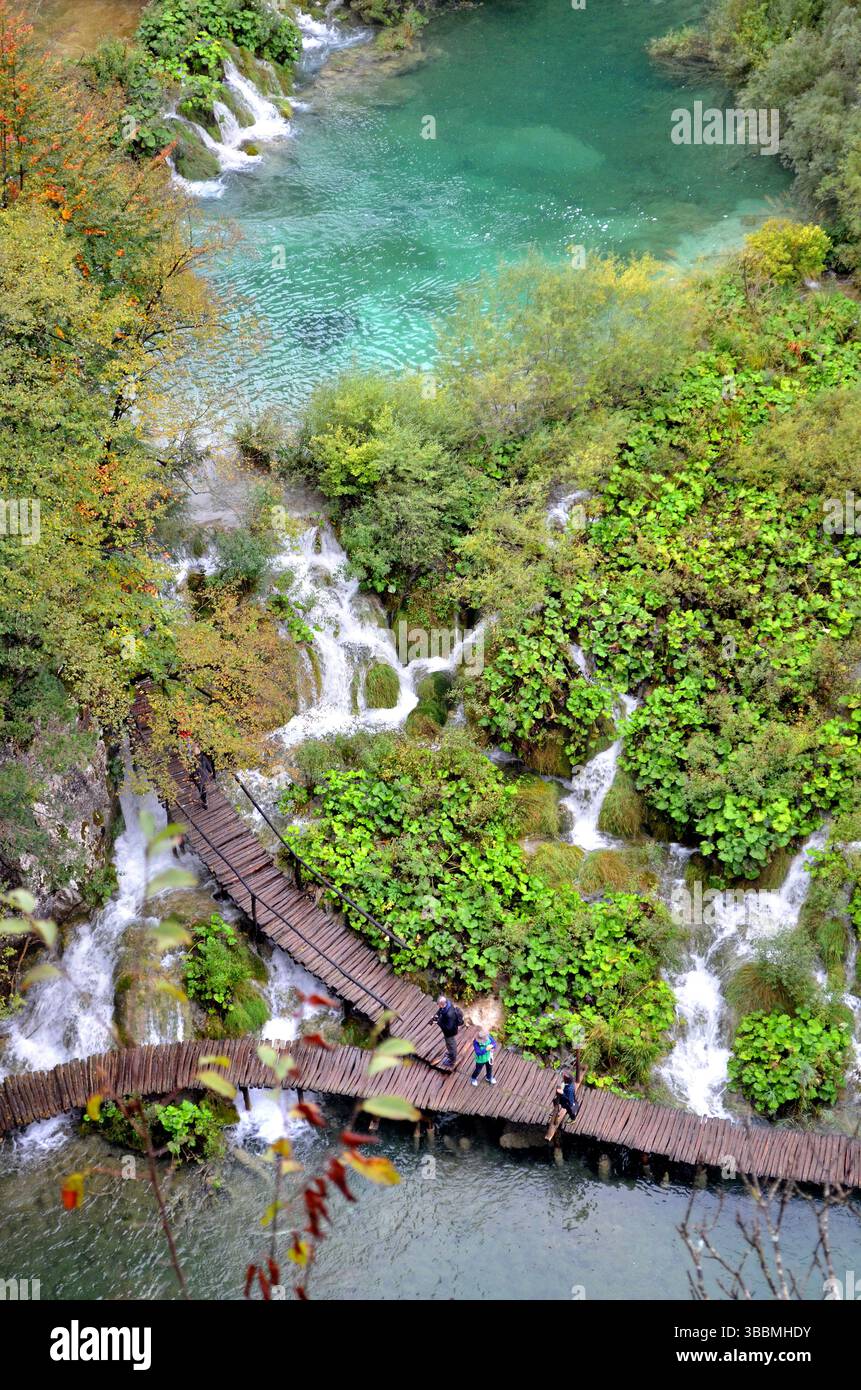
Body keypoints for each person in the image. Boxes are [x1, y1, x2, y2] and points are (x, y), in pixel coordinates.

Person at [545, 1055, 581, 1143]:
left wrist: (562, 1093)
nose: (563, 1077)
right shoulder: (569, 1083)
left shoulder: (569, 1088)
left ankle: (573, 1119)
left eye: (564, 1078)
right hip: (565, 1098)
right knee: (555, 1101)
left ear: (567, 1080)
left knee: (570, 1112)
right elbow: (565, 1085)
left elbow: (569, 1099)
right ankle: (555, 1113)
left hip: (568, 1102)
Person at [433, 995, 462, 1070]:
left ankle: (452, 1060)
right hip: (448, 1031)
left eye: (438, 1004)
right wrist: (436, 1016)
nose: (438, 1006)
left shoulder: (449, 1014)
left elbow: (448, 1028)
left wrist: (438, 1022)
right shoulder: (447, 1003)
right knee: (448, 1043)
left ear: (442, 1004)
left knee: (451, 1045)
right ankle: (450, 1053)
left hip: (450, 1032)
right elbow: (440, 1011)